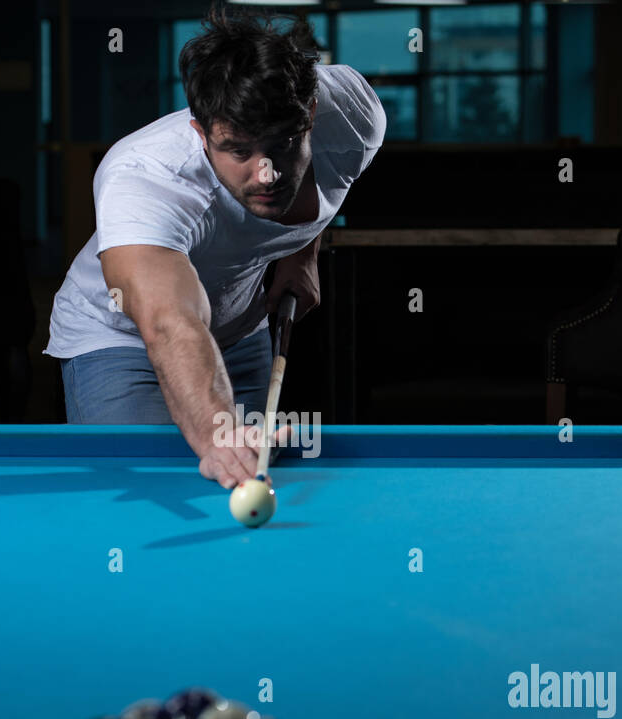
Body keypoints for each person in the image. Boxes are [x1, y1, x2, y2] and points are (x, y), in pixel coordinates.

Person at [44, 7, 385, 488]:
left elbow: (327, 189)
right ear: (201, 133)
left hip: (242, 331)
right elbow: (168, 322)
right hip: (123, 339)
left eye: (284, 145)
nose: (266, 174)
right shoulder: (147, 179)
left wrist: (301, 251)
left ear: (310, 113)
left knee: (245, 476)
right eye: (240, 151)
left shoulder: (352, 116)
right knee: (151, 487)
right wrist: (214, 432)